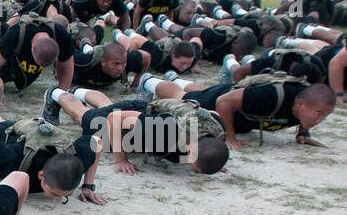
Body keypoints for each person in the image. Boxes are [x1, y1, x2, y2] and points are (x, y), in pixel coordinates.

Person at [41, 86, 230, 176]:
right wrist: (121, 159)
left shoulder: (218, 129)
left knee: (108, 106)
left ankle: (78, 90)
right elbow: (114, 118)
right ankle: (56, 93)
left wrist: (213, 159)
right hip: (138, 113)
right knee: (87, 118)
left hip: (142, 115)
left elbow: (211, 114)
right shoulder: (164, 130)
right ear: (191, 150)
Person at [139, 74, 336, 149]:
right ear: (301, 103)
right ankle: (148, 81)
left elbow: (304, 116)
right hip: (219, 102)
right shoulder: (270, 96)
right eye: (318, 114)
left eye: (324, 116)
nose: (319, 120)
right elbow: (224, 102)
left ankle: (175, 77)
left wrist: (303, 133)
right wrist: (229, 137)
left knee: (199, 90)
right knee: (182, 98)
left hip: (233, 106)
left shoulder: (302, 107)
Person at [0, 104, 107, 205]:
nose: (58, 199)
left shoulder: (78, 158)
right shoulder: (11, 159)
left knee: (5, 124)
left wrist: (88, 186)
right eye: (55, 194)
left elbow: (97, 142)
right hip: (7, 136)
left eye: (66, 194)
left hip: (28, 131)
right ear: (41, 175)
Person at [0, 13, 75, 93]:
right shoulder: (15, 33)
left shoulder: (62, 36)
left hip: (27, 68)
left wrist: (62, 94)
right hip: (10, 59)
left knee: (21, 86)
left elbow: (67, 67)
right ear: (32, 46)